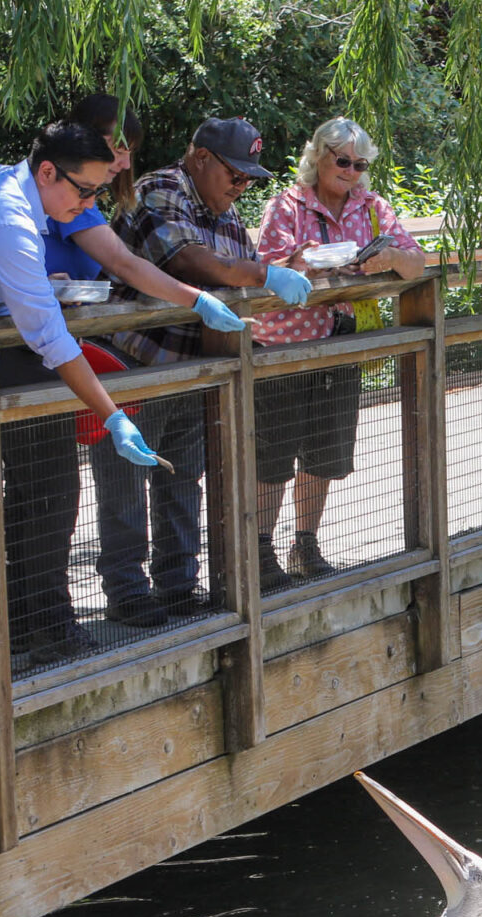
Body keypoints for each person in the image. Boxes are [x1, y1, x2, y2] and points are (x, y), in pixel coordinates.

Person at [0, 121, 251, 663]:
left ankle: (31, 620)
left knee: (47, 480)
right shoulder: (7, 217)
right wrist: (112, 415)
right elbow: (52, 341)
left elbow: (125, 264)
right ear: (46, 171)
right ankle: (6, 630)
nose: (88, 205)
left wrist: (195, 300)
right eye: (83, 192)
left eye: (96, 194)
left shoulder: (34, 189)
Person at [105, 115, 312, 617]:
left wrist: (276, 274)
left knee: (183, 477)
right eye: (234, 175)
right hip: (136, 361)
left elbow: (237, 275)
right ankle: (127, 592)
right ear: (201, 158)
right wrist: (266, 273)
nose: (241, 187)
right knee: (125, 479)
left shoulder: (226, 212)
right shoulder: (160, 188)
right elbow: (187, 262)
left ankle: (178, 585)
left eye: (248, 179)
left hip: (196, 367)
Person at [253, 116, 426, 588]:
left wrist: (389, 258)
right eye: (342, 160)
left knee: (326, 450)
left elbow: (417, 262)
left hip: (340, 336)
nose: (350, 171)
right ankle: (260, 551)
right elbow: (265, 269)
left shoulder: (371, 207)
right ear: (319, 156)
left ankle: (304, 544)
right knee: (273, 453)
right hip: (284, 344)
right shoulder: (288, 205)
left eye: (359, 163)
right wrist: (300, 262)